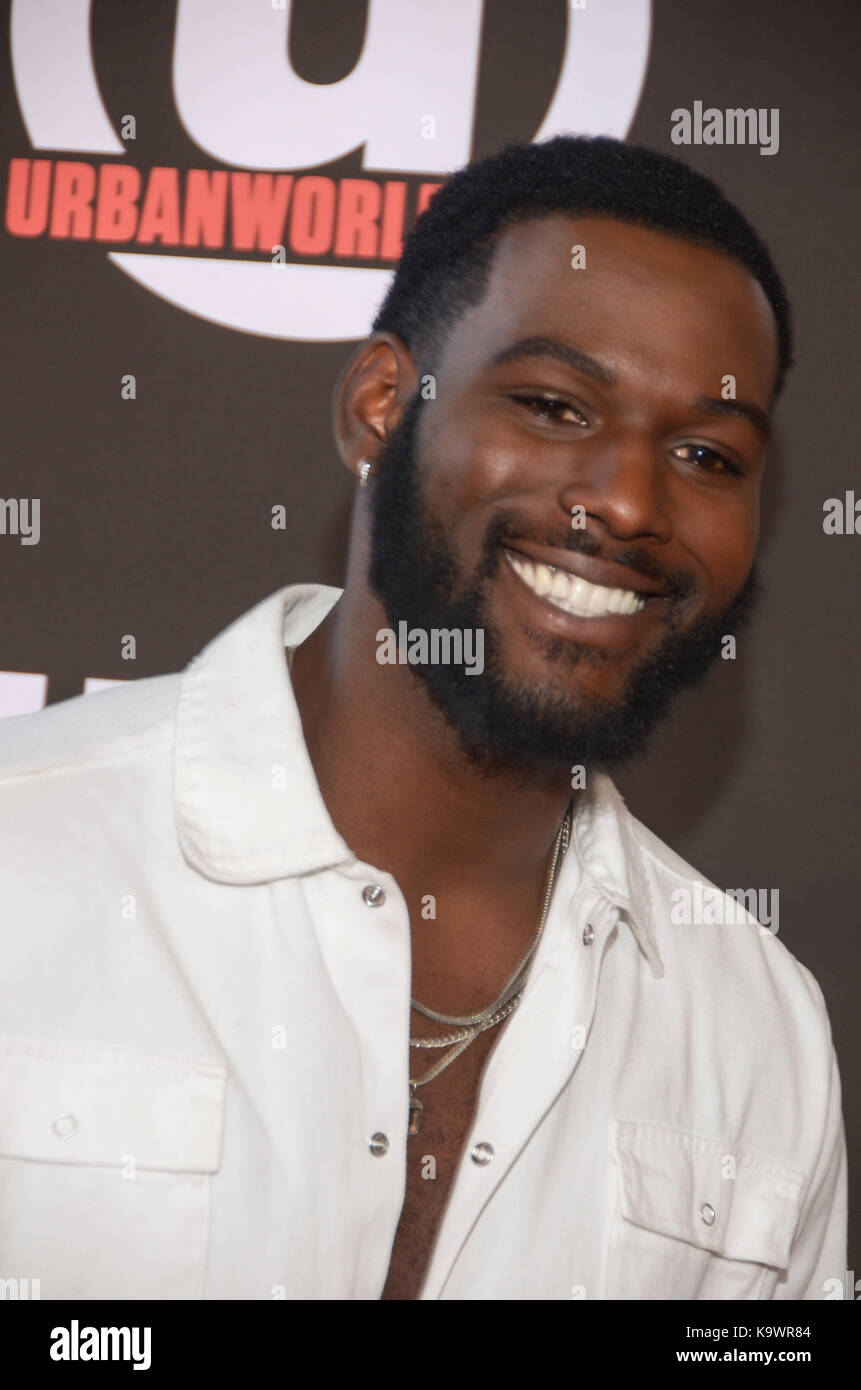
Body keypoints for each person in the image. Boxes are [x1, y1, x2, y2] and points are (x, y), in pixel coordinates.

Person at [0, 135, 845, 1301]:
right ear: (381, 408)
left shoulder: (761, 1034)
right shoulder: (22, 848)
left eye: (706, 453)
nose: (631, 501)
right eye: (554, 405)